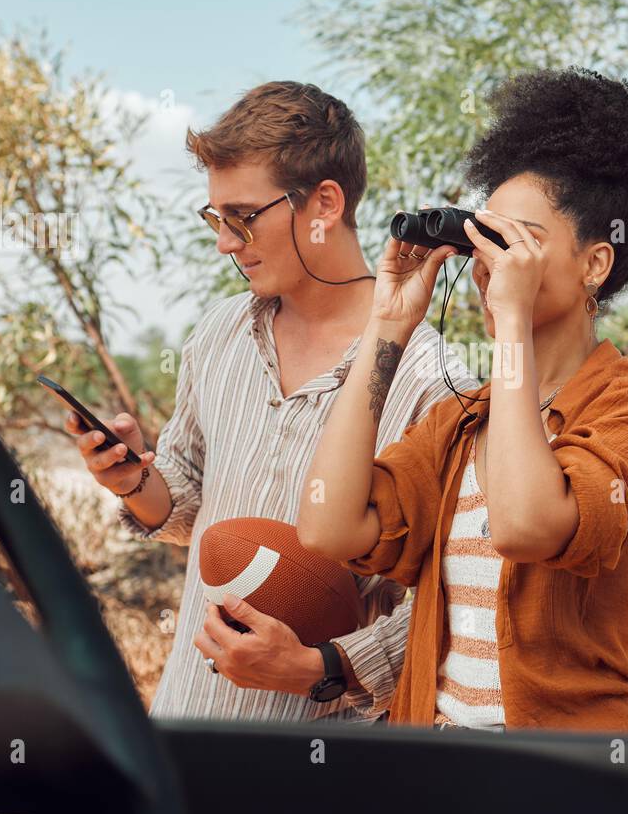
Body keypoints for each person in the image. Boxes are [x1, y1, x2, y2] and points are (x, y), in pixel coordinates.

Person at [298, 68, 628, 732]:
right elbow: (327, 527)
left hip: (567, 778)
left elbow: (525, 524)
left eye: (518, 242)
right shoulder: (459, 423)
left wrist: (511, 324)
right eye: (483, 240)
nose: (490, 264)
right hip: (436, 773)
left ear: (595, 263)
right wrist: (387, 326)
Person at [65, 80, 475, 722]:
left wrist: (317, 670)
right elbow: (189, 508)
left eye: (243, 216)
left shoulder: (430, 379)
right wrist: (135, 479)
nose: (226, 242)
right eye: (215, 218)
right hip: (187, 725)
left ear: (326, 204)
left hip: (321, 765)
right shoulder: (218, 333)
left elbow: (451, 598)